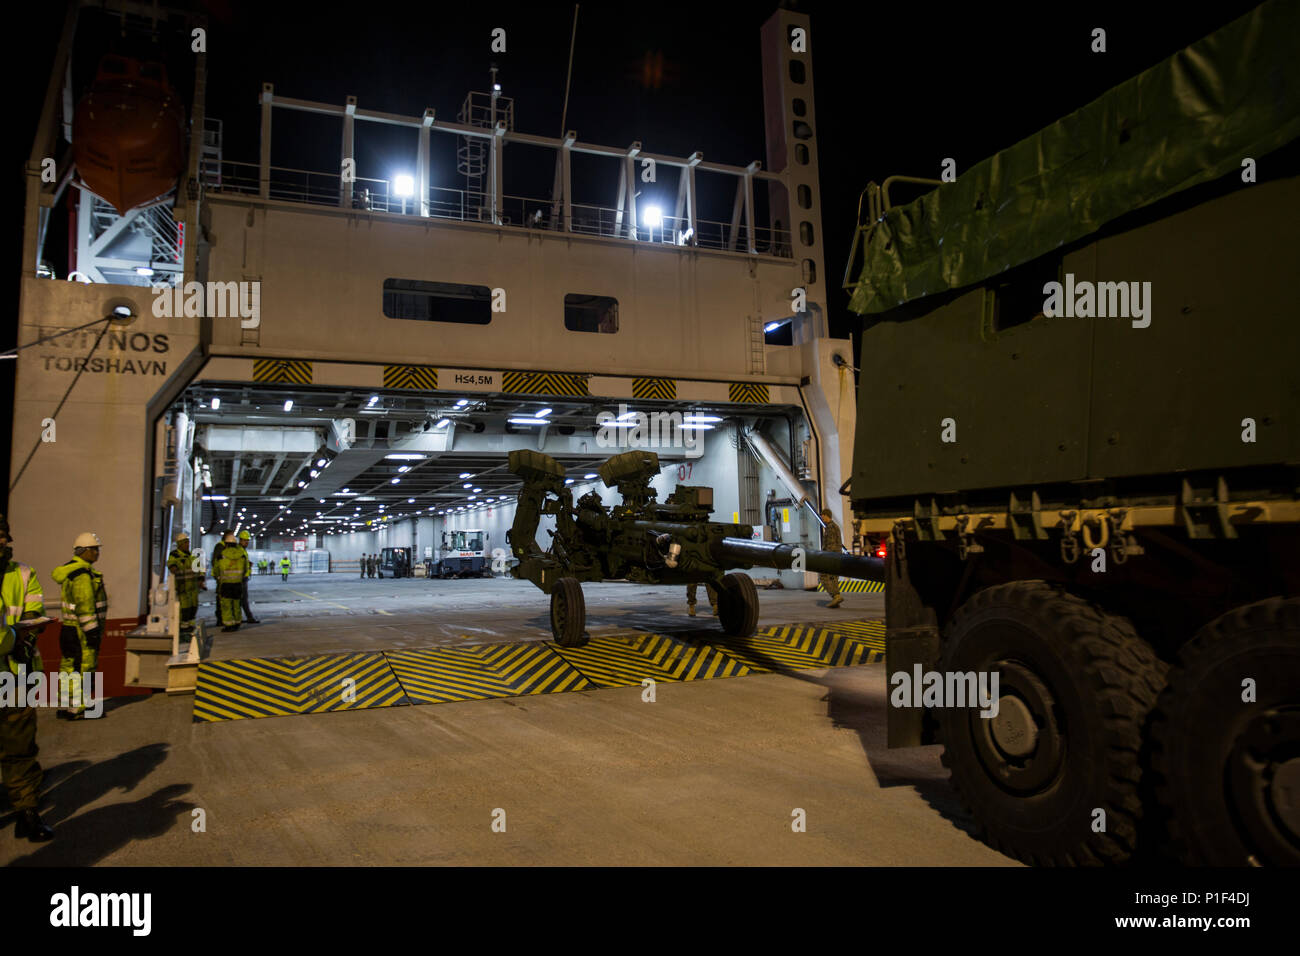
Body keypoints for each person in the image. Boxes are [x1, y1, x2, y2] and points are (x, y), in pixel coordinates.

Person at [0, 514, 54, 840]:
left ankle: (27, 812)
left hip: (15, 675)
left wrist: (25, 637)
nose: (1, 540)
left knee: (20, 746)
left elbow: (35, 613)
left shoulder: (22, 573)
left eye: (3, 534)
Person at [51, 532, 107, 719]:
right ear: (84, 551)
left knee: (69, 666)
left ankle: (67, 705)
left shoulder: (70, 571)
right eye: (95, 549)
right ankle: (78, 709)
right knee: (84, 667)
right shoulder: (83, 575)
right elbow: (85, 604)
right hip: (82, 631)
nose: (98, 553)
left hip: (69, 628)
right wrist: (91, 631)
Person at [166, 532, 204, 631]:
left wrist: (201, 579)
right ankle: (183, 627)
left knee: (194, 606)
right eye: (185, 543)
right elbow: (171, 565)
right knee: (184, 608)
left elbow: (200, 569)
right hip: (182, 586)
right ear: (180, 544)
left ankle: (191, 625)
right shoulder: (174, 555)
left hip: (193, 587)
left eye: (188, 542)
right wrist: (174, 567)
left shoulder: (193, 556)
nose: (188, 545)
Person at [214, 532, 249, 631]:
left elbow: (216, 570)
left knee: (226, 605)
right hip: (238, 583)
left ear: (226, 544)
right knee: (236, 603)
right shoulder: (242, 555)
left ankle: (229, 625)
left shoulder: (222, 556)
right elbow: (245, 569)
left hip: (226, 584)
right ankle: (237, 622)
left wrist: (218, 577)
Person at [819, 508, 844, 608]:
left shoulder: (830, 527)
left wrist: (825, 558)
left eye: (822, 515)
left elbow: (831, 545)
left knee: (823, 576)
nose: (821, 517)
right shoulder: (834, 526)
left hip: (831, 557)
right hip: (836, 557)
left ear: (826, 515)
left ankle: (836, 596)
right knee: (833, 579)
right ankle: (836, 598)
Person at [237, 531, 260, 624]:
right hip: (240, 578)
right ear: (240, 540)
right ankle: (249, 617)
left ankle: (240, 618)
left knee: (242, 599)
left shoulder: (243, 550)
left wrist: (248, 564)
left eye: (247, 541)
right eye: (245, 541)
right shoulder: (239, 550)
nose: (246, 543)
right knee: (243, 599)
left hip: (244, 577)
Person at [211, 532, 228, 626]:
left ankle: (224, 618)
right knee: (221, 599)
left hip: (227, 578)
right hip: (222, 578)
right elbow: (217, 562)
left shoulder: (225, 547)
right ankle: (220, 619)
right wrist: (217, 576)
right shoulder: (220, 547)